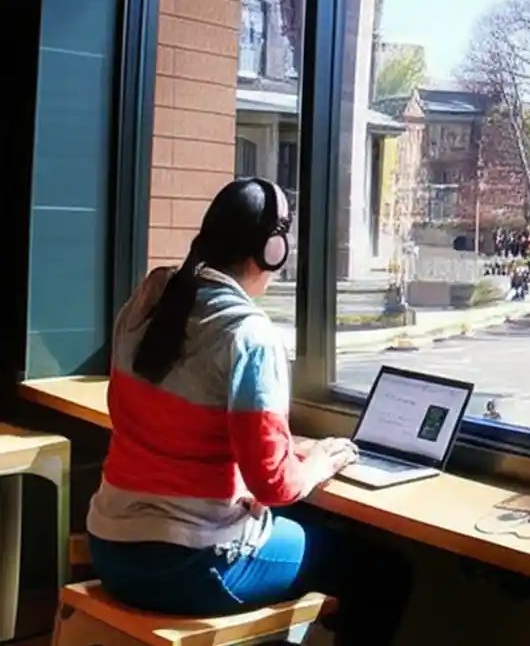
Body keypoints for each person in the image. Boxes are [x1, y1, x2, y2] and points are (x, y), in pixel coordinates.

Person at [86, 179, 408, 644]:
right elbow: (274, 485)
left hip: (111, 549)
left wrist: (280, 450)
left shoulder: (150, 298)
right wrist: (321, 461)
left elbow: (146, 416)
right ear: (272, 250)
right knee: (383, 573)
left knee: (310, 533)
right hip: (189, 566)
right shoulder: (250, 335)